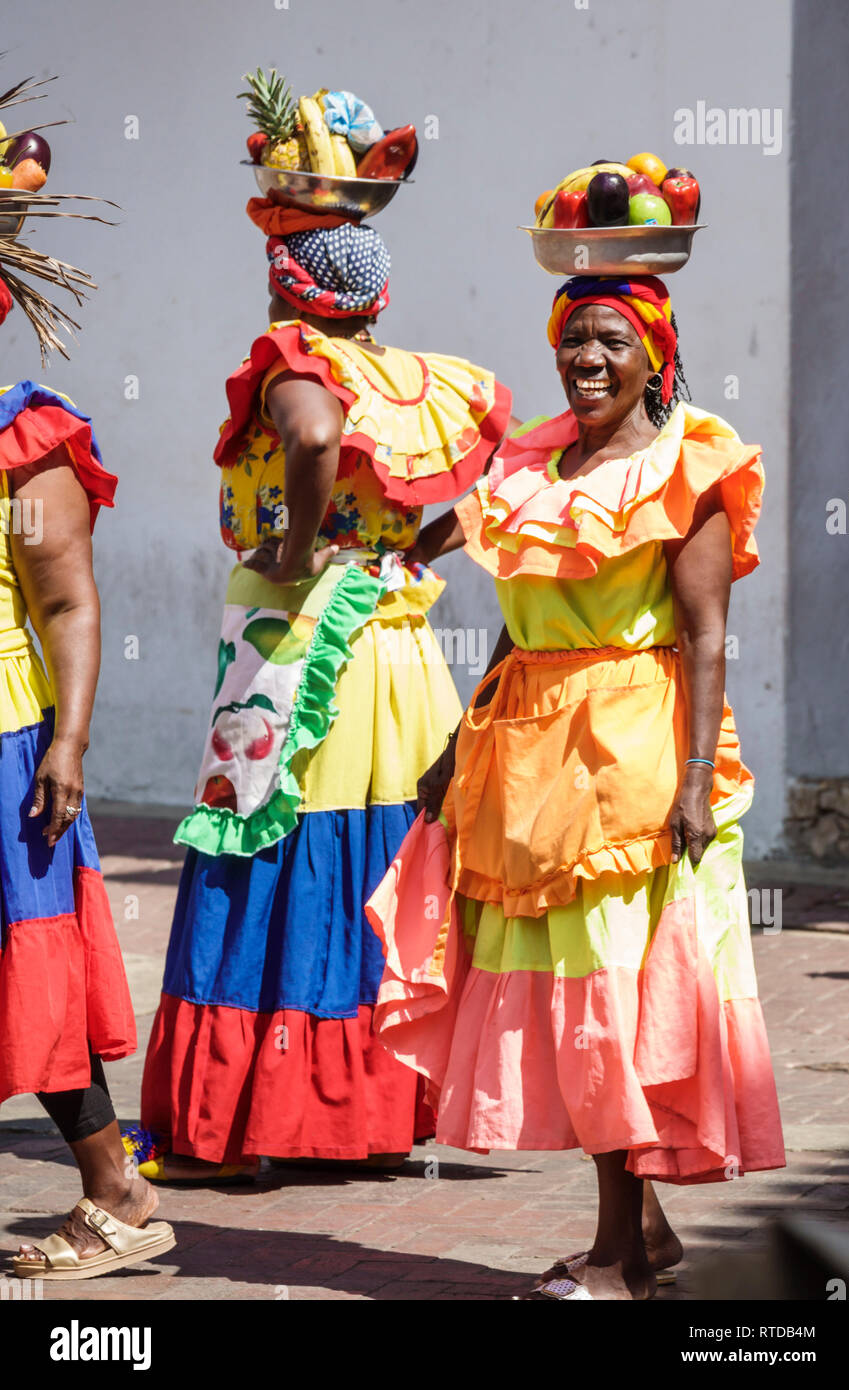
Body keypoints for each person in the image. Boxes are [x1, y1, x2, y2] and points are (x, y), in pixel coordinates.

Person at [368, 274, 785, 1300]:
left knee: (608, 1002)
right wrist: (455, 747)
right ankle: (645, 1239)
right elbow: (523, 623)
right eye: (572, 340)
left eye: (611, 341)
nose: (587, 359)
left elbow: (704, 637)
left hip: (630, 761)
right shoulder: (532, 468)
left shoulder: (687, 464)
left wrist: (695, 783)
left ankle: (616, 1260)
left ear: (655, 357)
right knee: (576, 1000)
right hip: (527, 756)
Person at [132, 214, 512, 1178]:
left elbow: (312, 434)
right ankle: (371, 1114)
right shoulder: (420, 382)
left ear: (290, 290)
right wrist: (411, 548)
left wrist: (299, 552)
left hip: (305, 649)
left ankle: (240, 1124)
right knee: (382, 853)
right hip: (395, 644)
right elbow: (508, 474)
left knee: (266, 837)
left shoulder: (297, 364)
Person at [0, 70, 174, 1279]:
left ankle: (116, 1189)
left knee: (35, 972)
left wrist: (67, 742)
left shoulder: (25, 440)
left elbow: (67, 601)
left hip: (8, 742)